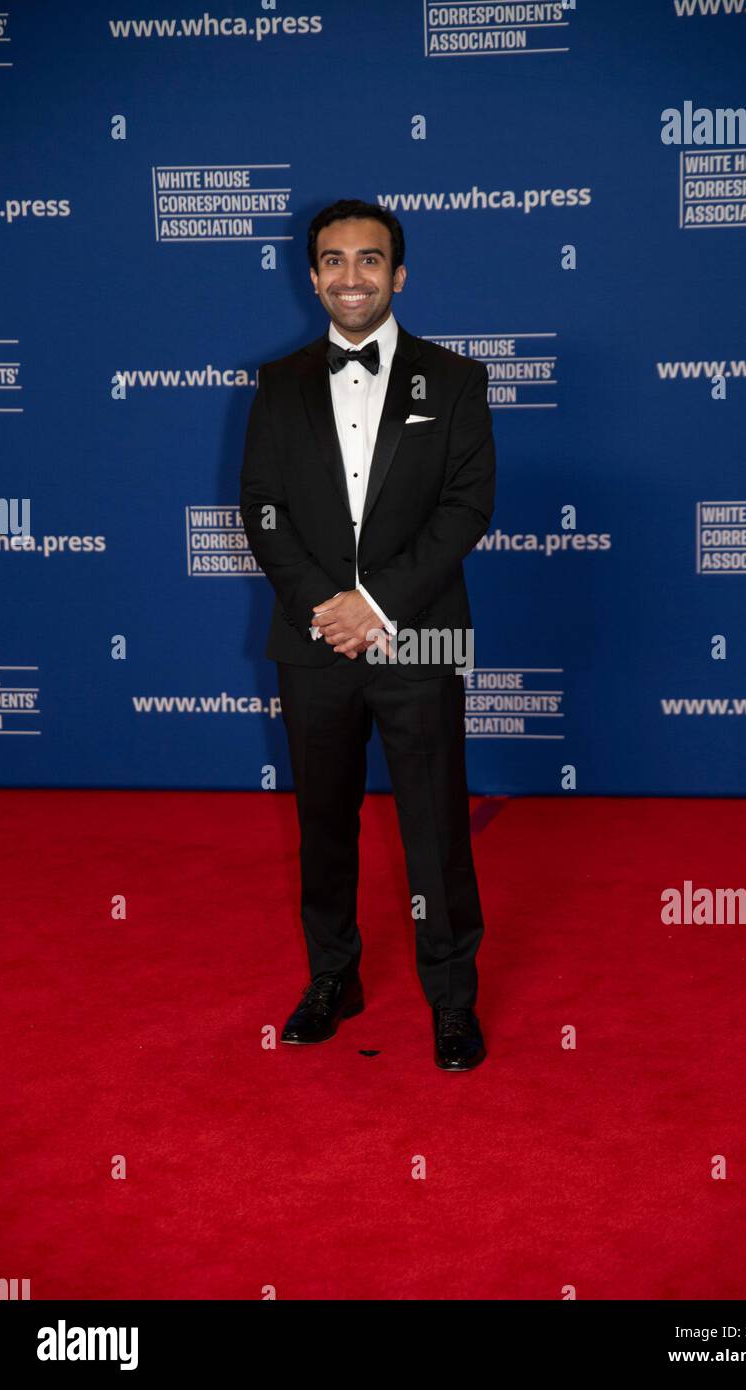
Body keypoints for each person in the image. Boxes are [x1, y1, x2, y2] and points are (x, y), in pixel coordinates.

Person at [240, 199, 495, 1070]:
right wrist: (329, 607)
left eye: (370, 260)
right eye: (334, 261)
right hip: (312, 640)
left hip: (418, 636)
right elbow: (263, 511)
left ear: (400, 273)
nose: (352, 276)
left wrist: (375, 606)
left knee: (435, 823)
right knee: (322, 822)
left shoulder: (456, 380)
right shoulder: (277, 385)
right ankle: (332, 978)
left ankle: (453, 1000)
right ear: (312, 276)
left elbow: (468, 509)